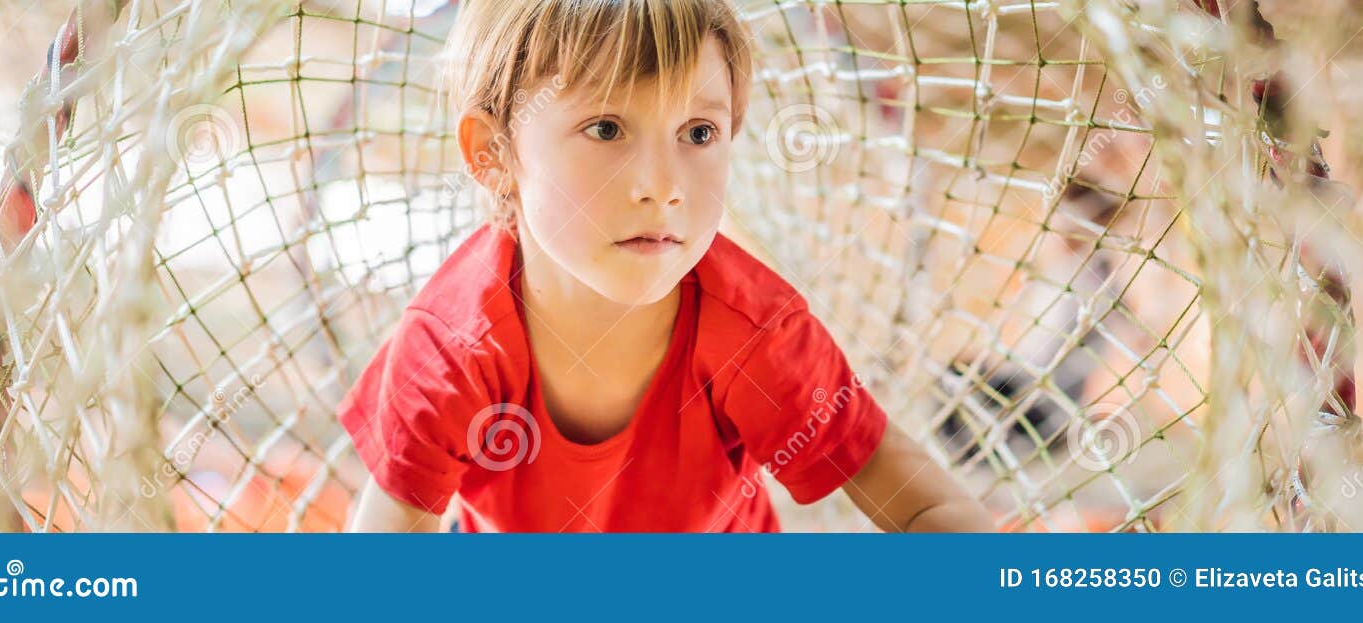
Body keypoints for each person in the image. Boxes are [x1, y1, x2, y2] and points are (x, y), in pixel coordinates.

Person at [342, 0, 992, 532]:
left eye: (698, 133)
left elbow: (931, 506)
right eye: (606, 129)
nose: (663, 185)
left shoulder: (758, 337)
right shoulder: (449, 349)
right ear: (492, 153)